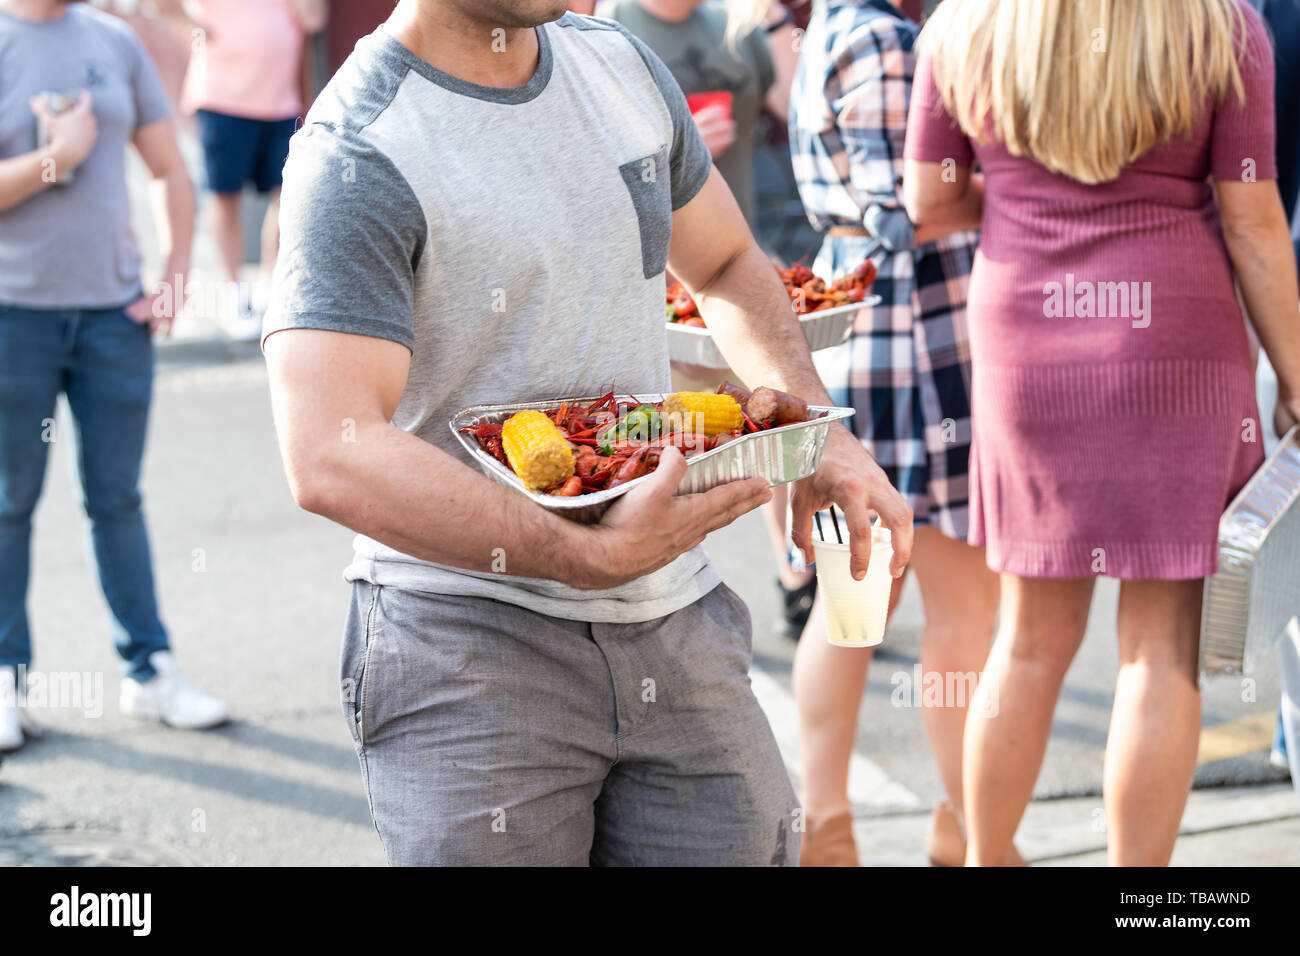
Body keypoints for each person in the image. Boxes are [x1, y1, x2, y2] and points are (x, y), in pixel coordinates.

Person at [263, 0, 913, 866]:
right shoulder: (356, 146)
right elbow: (330, 452)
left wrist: (816, 430)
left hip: (678, 625)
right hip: (467, 650)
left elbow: (722, 263)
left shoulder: (624, 68)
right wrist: (589, 558)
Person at [904, 0, 1300, 865]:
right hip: (1180, 340)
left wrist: (1017, 191)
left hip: (1024, 341)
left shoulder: (965, 27)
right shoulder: (1220, 26)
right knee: (1161, 653)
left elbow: (926, 200)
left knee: (1029, 637)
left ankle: (987, 855)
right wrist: (1298, 375)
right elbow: (1252, 218)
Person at [786, 0, 1005, 867]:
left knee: (853, 608)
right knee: (960, 607)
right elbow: (905, 210)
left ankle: (832, 827)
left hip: (869, 339)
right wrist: (1037, 188)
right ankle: (967, 830)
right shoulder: (881, 37)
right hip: (917, 343)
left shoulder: (840, 26)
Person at [0, 0, 228, 751]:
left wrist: (176, 270)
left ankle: (149, 669)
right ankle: (5, 682)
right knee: (8, 503)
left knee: (117, 500)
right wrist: (52, 160)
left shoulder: (115, 40)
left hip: (113, 320)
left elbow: (168, 168)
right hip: (14, 317)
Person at [180, 0, 328, 338]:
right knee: (225, 197)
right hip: (221, 98)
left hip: (280, 100)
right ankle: (235, 297)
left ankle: (273, 289)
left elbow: (313, 19)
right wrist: (194, 26)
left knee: (289, 195)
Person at [599, 0, 774, 233]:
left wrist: (777, 19)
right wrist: (683, 150)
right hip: (666, 254)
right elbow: (600, 167)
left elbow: (794, 111)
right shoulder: (607, 25)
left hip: (741, 236)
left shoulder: (735, 20)